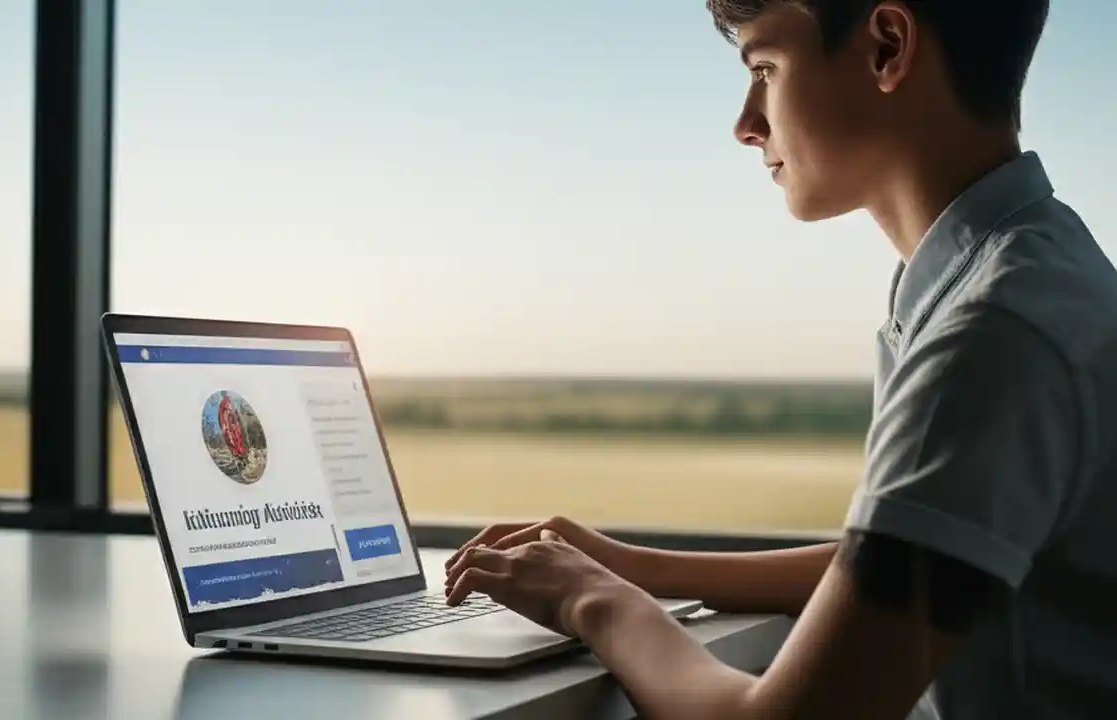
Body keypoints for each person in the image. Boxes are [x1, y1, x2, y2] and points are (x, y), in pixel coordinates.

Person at [444, 1, 1117, 718]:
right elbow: (912, 562)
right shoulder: (1030, 273)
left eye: (765, 68)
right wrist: (637, 566)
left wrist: (596, 600)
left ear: (888, 48)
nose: (746, 123)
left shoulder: (992, 335)